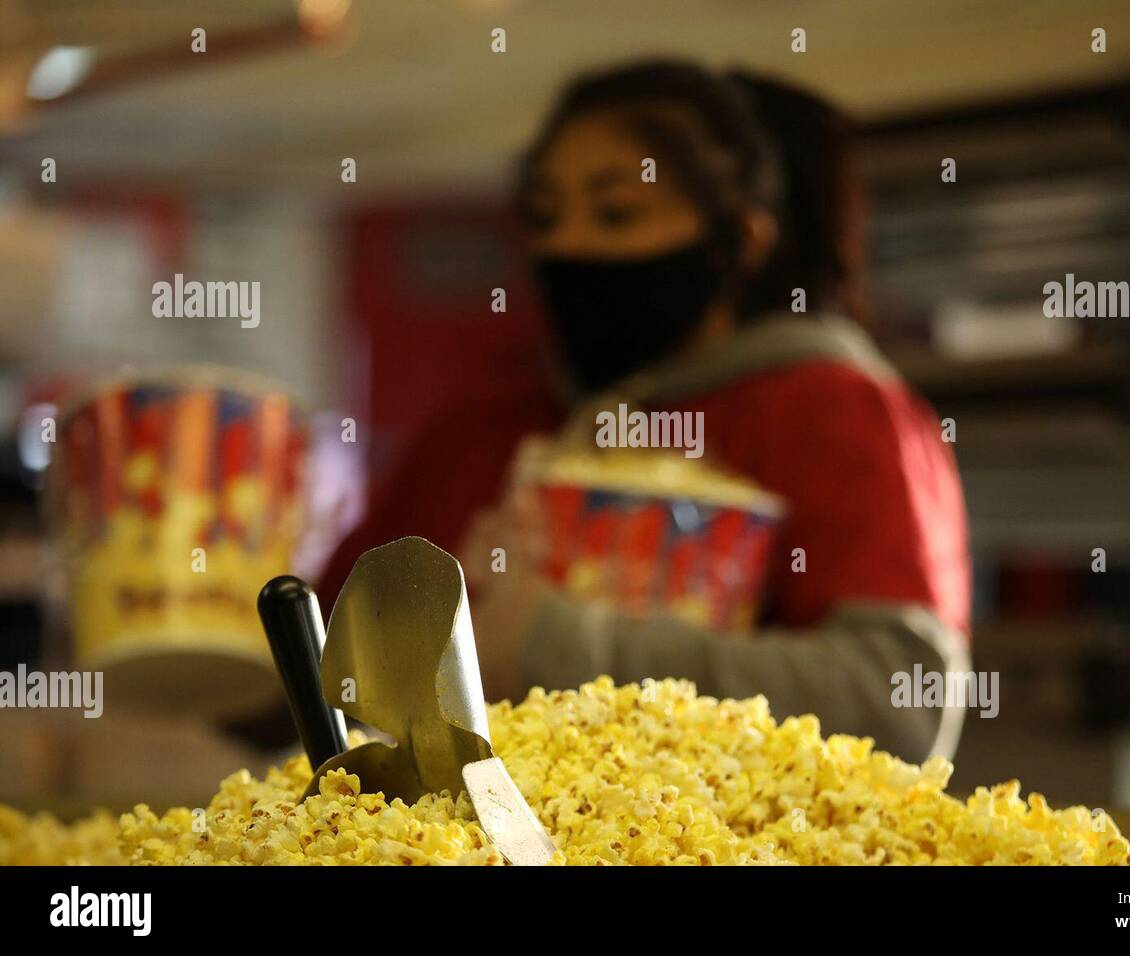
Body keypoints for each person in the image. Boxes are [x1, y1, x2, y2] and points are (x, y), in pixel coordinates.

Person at [321, 61, 971, 763]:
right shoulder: (475, 436)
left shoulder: (830, 411)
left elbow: (900, 701)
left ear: (738, 240)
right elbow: (312, 663)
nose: (567, 245)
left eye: (617, 214)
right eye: (544, 215)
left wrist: (558, 645)